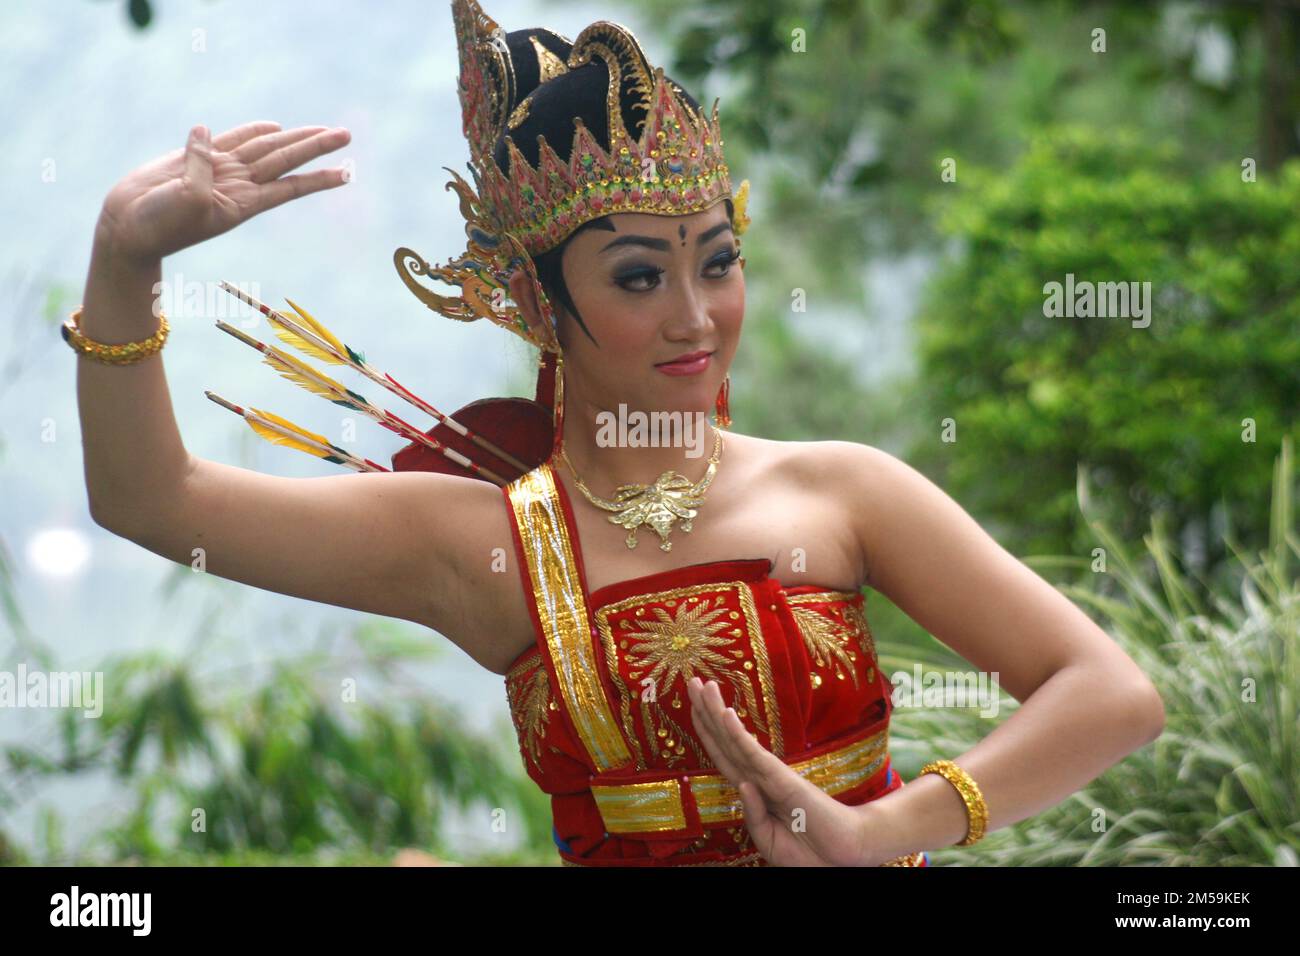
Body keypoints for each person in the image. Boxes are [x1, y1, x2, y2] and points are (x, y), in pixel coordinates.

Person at [67, 0, 1165, 867]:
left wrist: (879, 829)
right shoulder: (477, 544)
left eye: (718, 261)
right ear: (538, 305)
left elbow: (1107, 691)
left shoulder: (842, 492)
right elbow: (151, 500)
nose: (697, 314)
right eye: (641, 275)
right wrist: (126, 263)